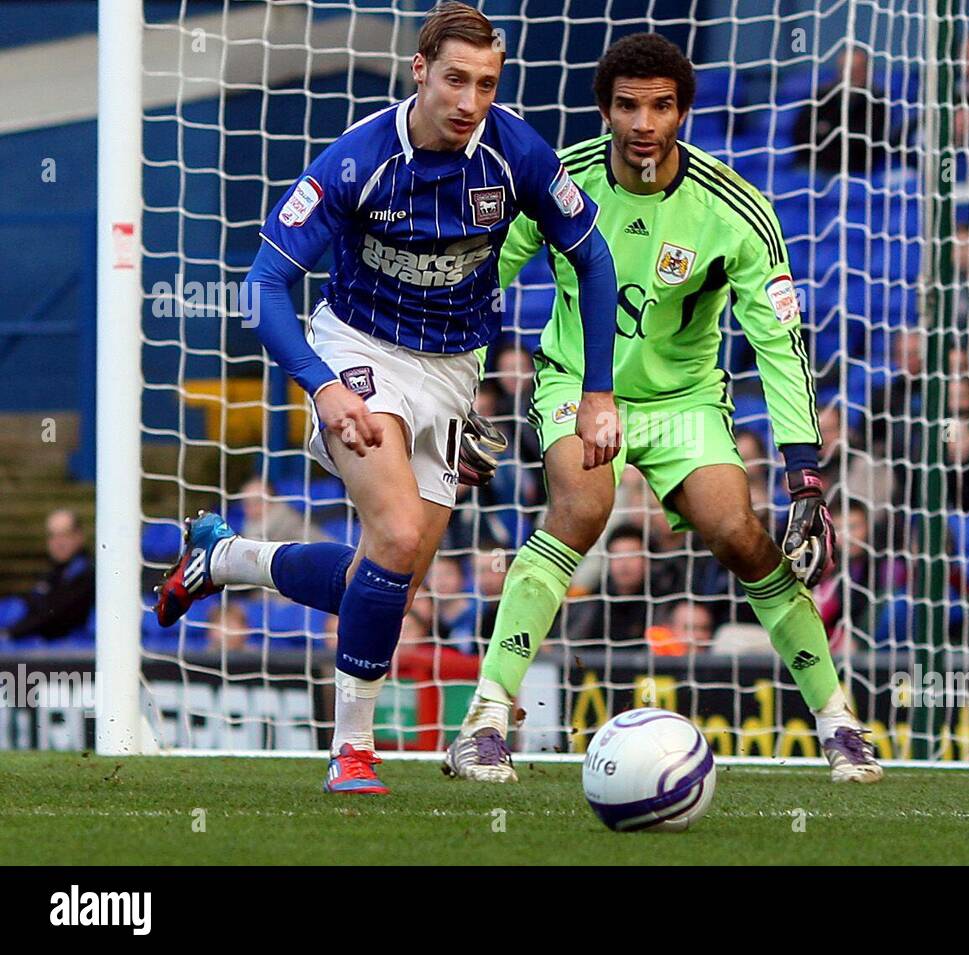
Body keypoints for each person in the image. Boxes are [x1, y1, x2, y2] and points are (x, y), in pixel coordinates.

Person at [151, 2, 619, 796]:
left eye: (486, 84)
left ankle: (226, 558)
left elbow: (595, 259)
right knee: (399, 535)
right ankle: (352, 751)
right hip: (358, 352)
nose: (470, 101)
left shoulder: (517, 152)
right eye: (454, 81)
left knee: (389, 572)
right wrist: (324, 386)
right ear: (419, 73)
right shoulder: (356, 159)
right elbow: (261, 286)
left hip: (453, 369)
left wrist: (599, 392)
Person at [444, 33, 882, 784]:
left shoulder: (736, 210)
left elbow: (779, 345)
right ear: (605, 110)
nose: (643, 122)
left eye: (661, 106)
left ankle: (839, 722)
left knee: (740, 533)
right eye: (627, 106)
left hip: (684, 400)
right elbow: (478, 284)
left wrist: (804, 474)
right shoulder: (557, 185)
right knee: (580, 507)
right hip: (579, 385)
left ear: (682, 110)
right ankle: (485, 720)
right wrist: (464, 397)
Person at [792, 43, 907, 177]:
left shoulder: (877, 102)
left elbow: (869, 141)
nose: (850, 75)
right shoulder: (821, 97)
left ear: (867, 71)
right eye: (844, 69)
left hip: (857, 170)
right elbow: (801, 134)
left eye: (855, 69)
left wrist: (828, 131)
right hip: (813, 167)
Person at [0, 509, 94, 641]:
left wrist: (9, 633)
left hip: (71, 652)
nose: (59, 542)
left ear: (79, 536)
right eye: (53, 536)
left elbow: (54, 614)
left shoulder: (87, 574)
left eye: (65, 534)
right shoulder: (53, 573)